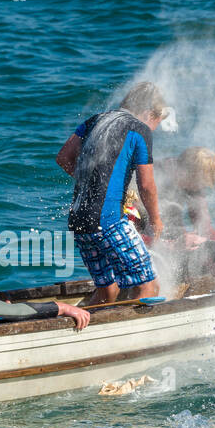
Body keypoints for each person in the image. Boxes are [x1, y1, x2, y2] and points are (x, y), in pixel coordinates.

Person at [56, 81, 167, 306]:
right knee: (148, 286)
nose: (154, 129)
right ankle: (137, 338)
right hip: (109, 222)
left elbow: (64, 158)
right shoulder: (139, 129)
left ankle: (88, 328)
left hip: (80, 222)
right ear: (148, 113)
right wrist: (155, 220)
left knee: (109, 290)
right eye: (156, 123)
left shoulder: (94, 120)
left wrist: (93, 184)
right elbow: (146, 185)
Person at [127, 146, 215, 287]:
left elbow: (205, 227)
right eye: (199, 183)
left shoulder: (190, 185)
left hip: (169, 242)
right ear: (188, 173)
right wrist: (170, 245)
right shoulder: (150, 179)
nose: (199, 189)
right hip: (143, 249)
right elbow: (127, 233)